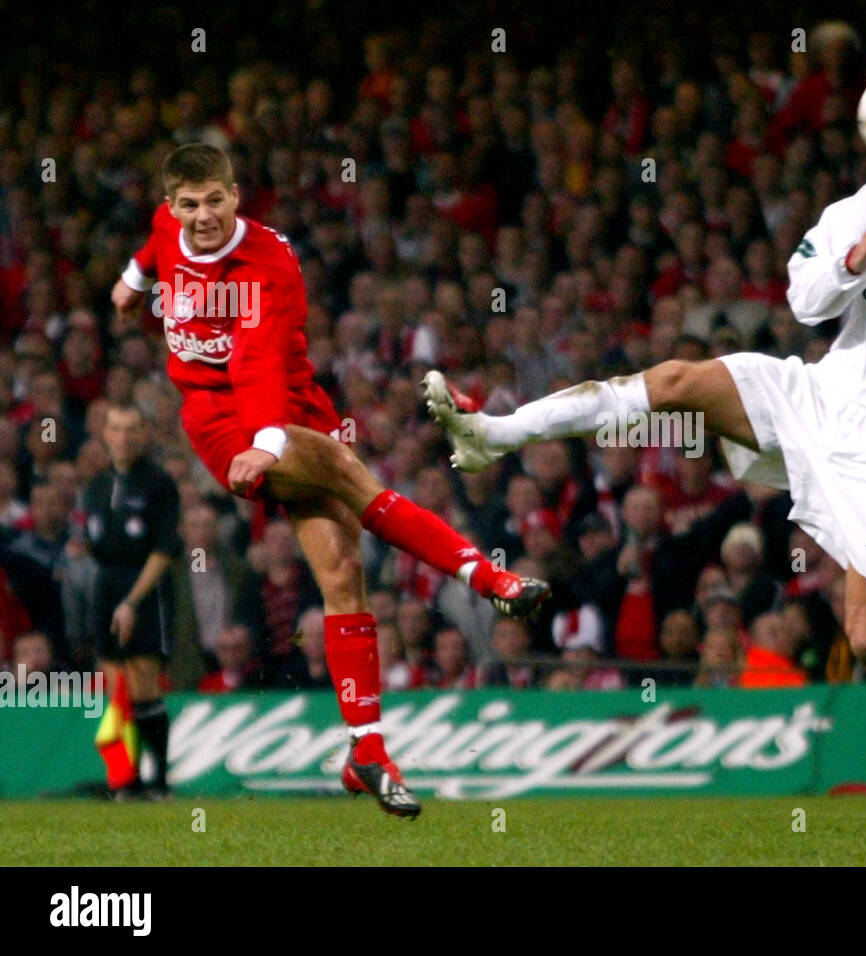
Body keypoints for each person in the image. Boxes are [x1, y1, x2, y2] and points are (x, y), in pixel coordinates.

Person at [426, 87, 866, 830]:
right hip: (819, 394)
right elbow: (807, 297)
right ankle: (496, 433)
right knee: (678, 380)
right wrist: (853, 256)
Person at [110, 144, 549, 817]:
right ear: (172, 206)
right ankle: (490, 581)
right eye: (189, 204)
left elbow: (257, 361)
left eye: (215, 201)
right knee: (347, 470)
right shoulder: (170, 228)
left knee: (344, 573)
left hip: (281, 404)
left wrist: (270, 442)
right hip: (216, 416)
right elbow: (153, 245)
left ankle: (366, 752)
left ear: (237, 196)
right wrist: (133, 281)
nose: (202, 215)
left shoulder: (268, 262)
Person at [84, 404, 180, 799]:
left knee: (143, 681)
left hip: (145, 586)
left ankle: (158, 780)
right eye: (117, 429)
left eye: (133, 429)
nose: (124, 437)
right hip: (106, 584)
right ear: (105, 434)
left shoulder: (158, 484)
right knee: (115, 684)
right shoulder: (97, 485)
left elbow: (163, 549)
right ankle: (127, 779)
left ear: (144, 434)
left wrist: (131, 602)